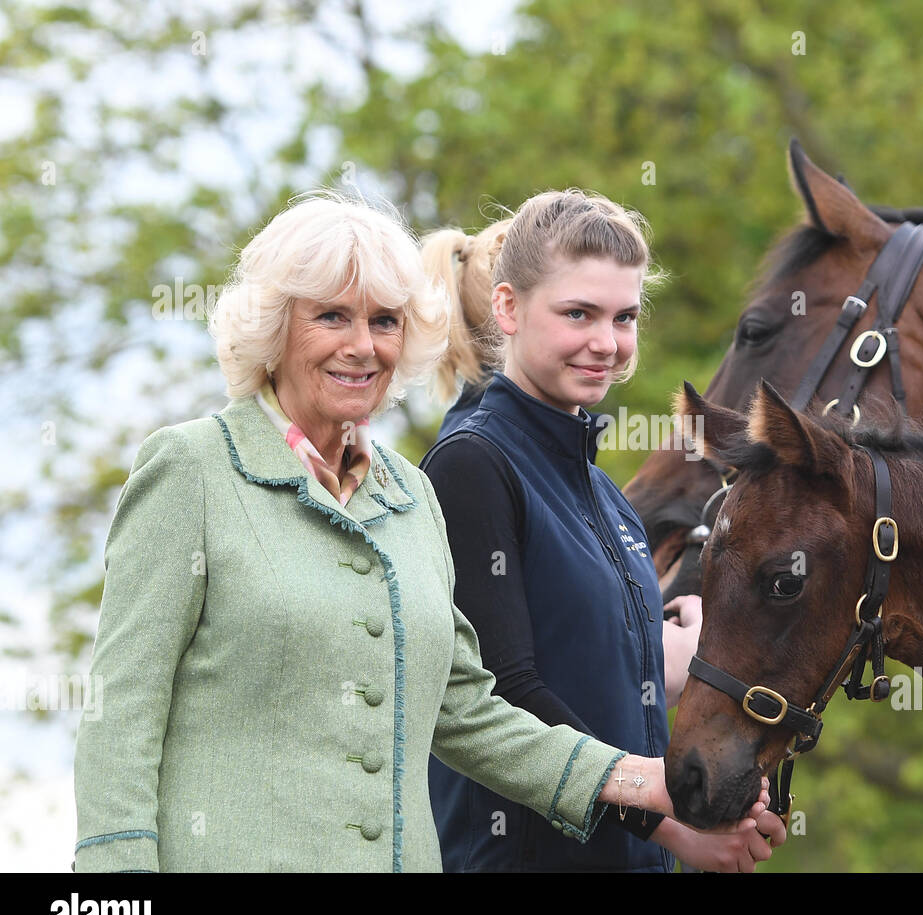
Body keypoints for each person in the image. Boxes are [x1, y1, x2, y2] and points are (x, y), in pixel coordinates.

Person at [70, 191, 766, 872]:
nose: (361, 345)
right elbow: (122, 707)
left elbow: (468, 709)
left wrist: (647, 782)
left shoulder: (412, 497)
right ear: (275, 326)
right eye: (332, 316)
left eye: (385, 321)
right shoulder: (192, 468)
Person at [420, 190, 787, 872]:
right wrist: (668, 823)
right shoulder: (470, 464)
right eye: (578, 313)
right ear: (508, 308)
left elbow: (591, 675)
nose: (606, 343)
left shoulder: (607, 497)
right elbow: (504, 697)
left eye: (623, 317)